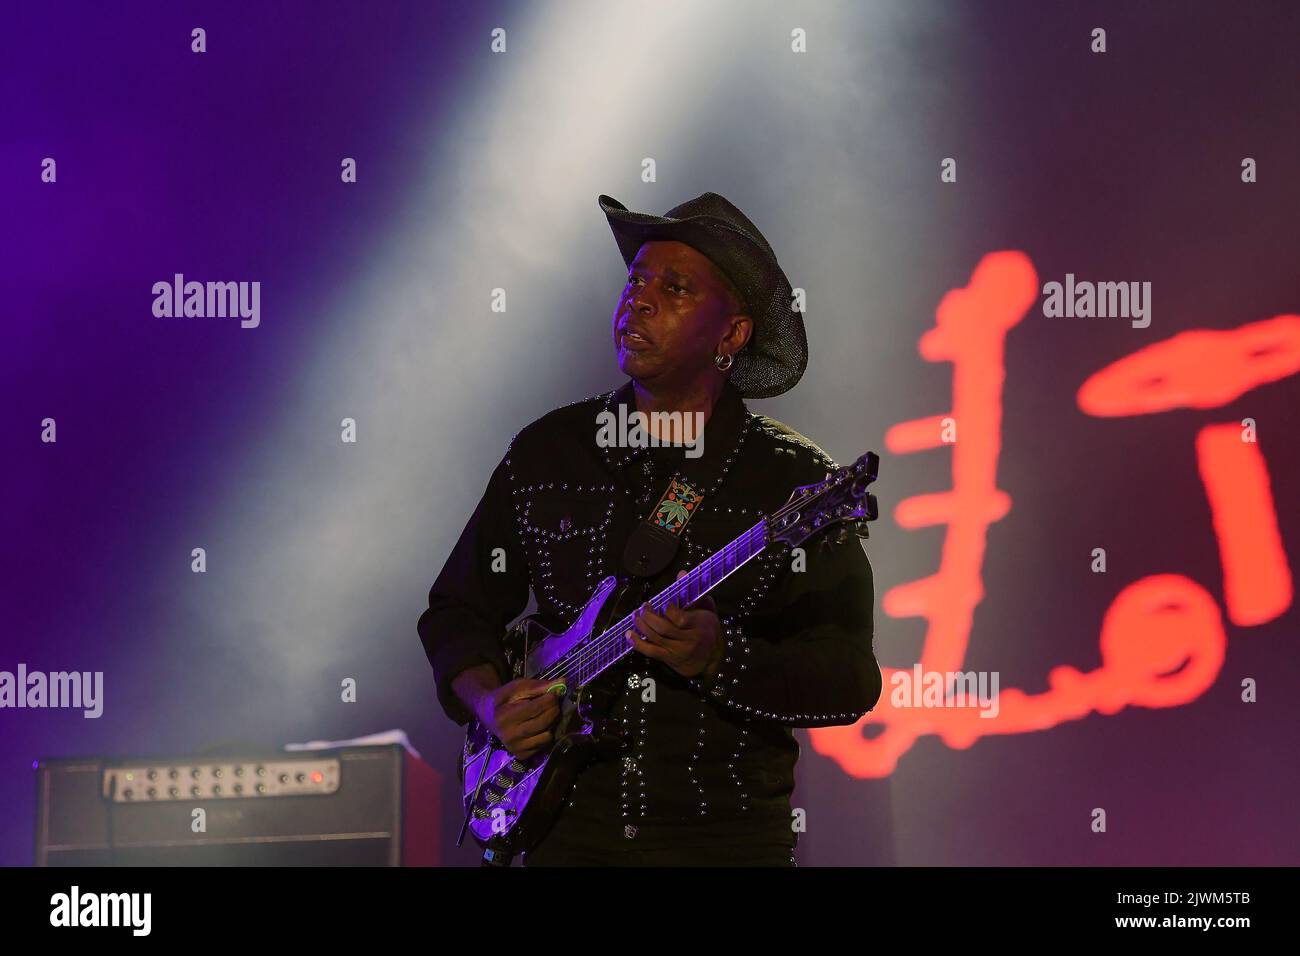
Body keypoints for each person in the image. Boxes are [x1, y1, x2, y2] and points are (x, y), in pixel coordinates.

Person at [418, 191, 882, 866]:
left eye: (675, 288)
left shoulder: (792, 480)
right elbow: (456, 612)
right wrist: (489, 704)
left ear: (732, 335)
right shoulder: (548, 451)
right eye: (635, 281)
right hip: (563, 838)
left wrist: (721, 658)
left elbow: (850, 679)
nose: (639, 300)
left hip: (725, 843)